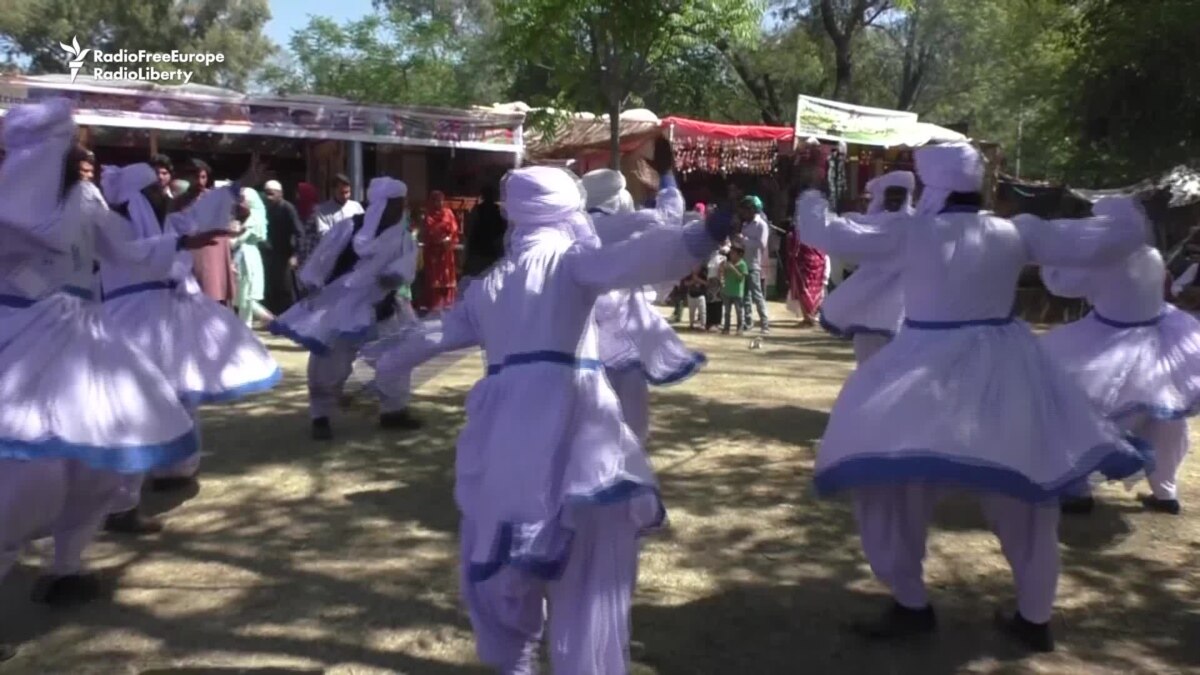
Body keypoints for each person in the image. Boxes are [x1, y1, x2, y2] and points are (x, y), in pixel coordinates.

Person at [366, 148, 735, 673]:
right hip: (578, 422)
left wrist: (383, 364)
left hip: (505, 431)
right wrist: (705, 235)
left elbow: (430, 335)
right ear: (567, 209)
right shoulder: (571, 263)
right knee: (585, 572)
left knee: (502, 555)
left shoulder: (488, 286)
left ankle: (514, 661)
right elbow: (641, 259)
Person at [795, 142, 1149, 653]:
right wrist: (1120, 216)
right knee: (1026, 489)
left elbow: (824, 232)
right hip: (1005, 364)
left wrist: (810, 189)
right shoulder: (1014, 231)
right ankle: (1034, 617)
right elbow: (1101, 242)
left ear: (933, 182)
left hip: (919, 365)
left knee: (890, 481)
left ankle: (910, 603)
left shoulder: (911, 230)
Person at [0, 100, 224, 659]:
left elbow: (124, 250)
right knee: (30, 477)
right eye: (74, 140)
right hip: (18, 340)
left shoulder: (89, 198)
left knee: (102, 462)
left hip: (80, 338)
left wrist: (181, 241)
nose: (83, 151)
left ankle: (67, 567)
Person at [98, 160, 280, 531]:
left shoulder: (167, 222)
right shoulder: (112, 224)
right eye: (153, 190)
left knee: (180, 395)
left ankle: (172, 468)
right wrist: (180, 242)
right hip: (132, 322)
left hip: (166, 318)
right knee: (140, 408)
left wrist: (238, 185)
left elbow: (196, 214)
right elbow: (135, 252)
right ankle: (120, 505)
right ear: (136, 196)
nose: (162, 194)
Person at [1041, 196, 1200, 516]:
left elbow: (1061, 286)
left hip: (1112, 343)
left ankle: (1077, 489)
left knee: (1091, 415)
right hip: (1163, 338)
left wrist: (1049, 256)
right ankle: (1165, 492)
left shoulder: (1102, 261)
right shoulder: (1152, 255)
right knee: (1166, 420)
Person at [270, 176, 423, 440]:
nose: (401, 209)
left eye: (402, 204)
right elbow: (321, 261)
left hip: (382, 307)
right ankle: (321, 415)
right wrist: (314, 287)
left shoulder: (401, 236)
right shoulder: (349, 228)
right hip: (342, 307)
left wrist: (395, 276)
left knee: (396, 357)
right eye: (396, 204)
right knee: (328, 363)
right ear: (381, 204)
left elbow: (406, 265)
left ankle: (393, 411)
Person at [580, 164, 707, 446]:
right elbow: (667, 219)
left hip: (581, 340)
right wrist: (667, 179)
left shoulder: (569, 230)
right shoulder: (622, 224)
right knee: (631, 427)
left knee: (590, 427)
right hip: (621, 337)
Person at [806, 170, 914, 362]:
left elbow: (839, 235)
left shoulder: (911, 225)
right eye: (891, 194)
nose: (894, 199)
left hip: (899, 310)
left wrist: (813, 205)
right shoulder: (875, 224)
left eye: (899, 194)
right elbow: (844, 235)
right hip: (874, 306)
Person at [183, 160, 236, 306]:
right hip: (192, 251)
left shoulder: (214, 197)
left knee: (216, 295)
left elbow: (237, 212)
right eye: (196, 177)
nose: (200, 181)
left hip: (215, 251)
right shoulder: (180, 201)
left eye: (203, 177)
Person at [233, 186, 270, 327]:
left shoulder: (253, 219)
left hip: (246, 258)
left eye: (242, 200)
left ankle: (249, 328)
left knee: (246, 297)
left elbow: (237, 241)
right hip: (241, 257)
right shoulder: (240, 217)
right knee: (241, 297)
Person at [263, 179, 301, 314]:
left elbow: (299, 233)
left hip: (285, 255)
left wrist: (296, 255)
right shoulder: (265, 208)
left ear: (280, 194)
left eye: (271, 194)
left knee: (286, 289)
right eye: (266, 194)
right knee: (271, 289)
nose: (268, 197)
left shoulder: (288, 208)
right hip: (270, 255)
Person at [421, 190, 460, 312]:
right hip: (434, 251)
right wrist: (439, 238)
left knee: (447, 276)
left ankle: (448, 301)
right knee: (434, 277)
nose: (439, 202)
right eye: (436, 200)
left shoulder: (448, 213)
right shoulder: (428, 214)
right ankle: (434, 303)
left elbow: (454, 228)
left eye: (441, 200)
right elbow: (429, 230)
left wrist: (449, 237)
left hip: (446, 250)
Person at [736, 195, 771, 334]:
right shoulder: (745, 225)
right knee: (745, 296)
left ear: (752, 210)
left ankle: (764, 324)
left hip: (754, 265)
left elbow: (761, 244)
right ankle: (748, 322)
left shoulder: (761, 225)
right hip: (742, 264)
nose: (743, 213)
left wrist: (744, 240)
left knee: (757, 295)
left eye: (745, 210)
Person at [313, 173, 364, 240]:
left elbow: (365, 228)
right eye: (341, 193)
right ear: (334, 191)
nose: (345, 196)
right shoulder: (323, 210)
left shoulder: (356, 207)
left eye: (347, 192)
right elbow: (323, 234)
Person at [293, 181, 321, 275]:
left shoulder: (318, 212)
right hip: (300, 254)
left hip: (313, 252)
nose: (297, 196)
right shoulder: (297, 211)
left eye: (299, 193)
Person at [722, 245, 748, 334]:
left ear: (739, 254)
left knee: (739, 311)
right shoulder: (728, 263)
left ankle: (739, 328)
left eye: (733, 253)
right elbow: (724, 275)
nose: (731, 255)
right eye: (731, 253)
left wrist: (733, 268)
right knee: (727, 312)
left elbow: (741, 277)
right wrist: (724, 268)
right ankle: (726, 328)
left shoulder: (742, 264)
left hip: (737, 292)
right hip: (727, 291)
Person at [146, 153, 175, 225]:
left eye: (164, 173)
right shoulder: (144, 197)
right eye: (156, 173)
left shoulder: (177, 196)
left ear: (170, 175)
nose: (160, 177)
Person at [686, 264, 708, 329]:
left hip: (700, 295)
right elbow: (685, 283)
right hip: (691, 295)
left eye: (697, 267)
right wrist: (693, 281)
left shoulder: (703, 274)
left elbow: (707, 283)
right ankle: (691, 324)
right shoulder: (689, 275)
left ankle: (703, 325)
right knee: (691, 311)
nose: (695, 268)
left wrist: (698, 279)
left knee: (702, 311)